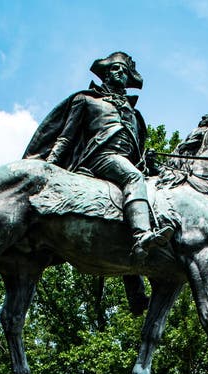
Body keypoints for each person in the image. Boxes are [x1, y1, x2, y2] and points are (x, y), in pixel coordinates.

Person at [23, 51, 172, 261]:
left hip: (126, 163)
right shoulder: (86, 100)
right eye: (115, 68)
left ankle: (136, 288)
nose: (120, 72)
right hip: (100, 158)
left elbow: (138, 152)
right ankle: (142, 235)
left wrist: (151, 163)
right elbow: (66, 137)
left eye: (124, 71)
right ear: (106, 74)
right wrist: (50, 167)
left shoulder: (135, 115)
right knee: (133, 178)